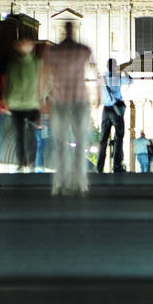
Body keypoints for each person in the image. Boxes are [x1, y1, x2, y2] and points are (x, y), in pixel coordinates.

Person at [41, 23, 96, 196]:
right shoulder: (83, 50)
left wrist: (41, 97)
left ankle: (60, 183)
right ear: (75, 31)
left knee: (61, 143)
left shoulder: (54, 52)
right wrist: (99, 94)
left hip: (60, 100)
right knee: (81, 142)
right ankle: (80, 183)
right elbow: (95, 71)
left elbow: (44, 73)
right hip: (79, 99)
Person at [5, 35, 44, 172]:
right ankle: (22, 162)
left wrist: (41, 98)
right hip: (16, 103)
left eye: (27, 43)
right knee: (19, 134)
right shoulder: (13, 63)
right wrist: (6, 99)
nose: (24, 46)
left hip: (32, 104)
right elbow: (8, 82)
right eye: (22, 43)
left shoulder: (37, 62)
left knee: (30, 134)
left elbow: (43, 82)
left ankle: (30, 162)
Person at [96, 58, 133, 173]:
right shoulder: (118, 78)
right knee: (119, 137)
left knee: (103, 139)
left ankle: (100, 167)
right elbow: (131, 81)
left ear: (107, 66)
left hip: (106, 110)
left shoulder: (102, 78)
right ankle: (117, 166)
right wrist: (124, 71)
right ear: (115, 66)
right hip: (116, 110)